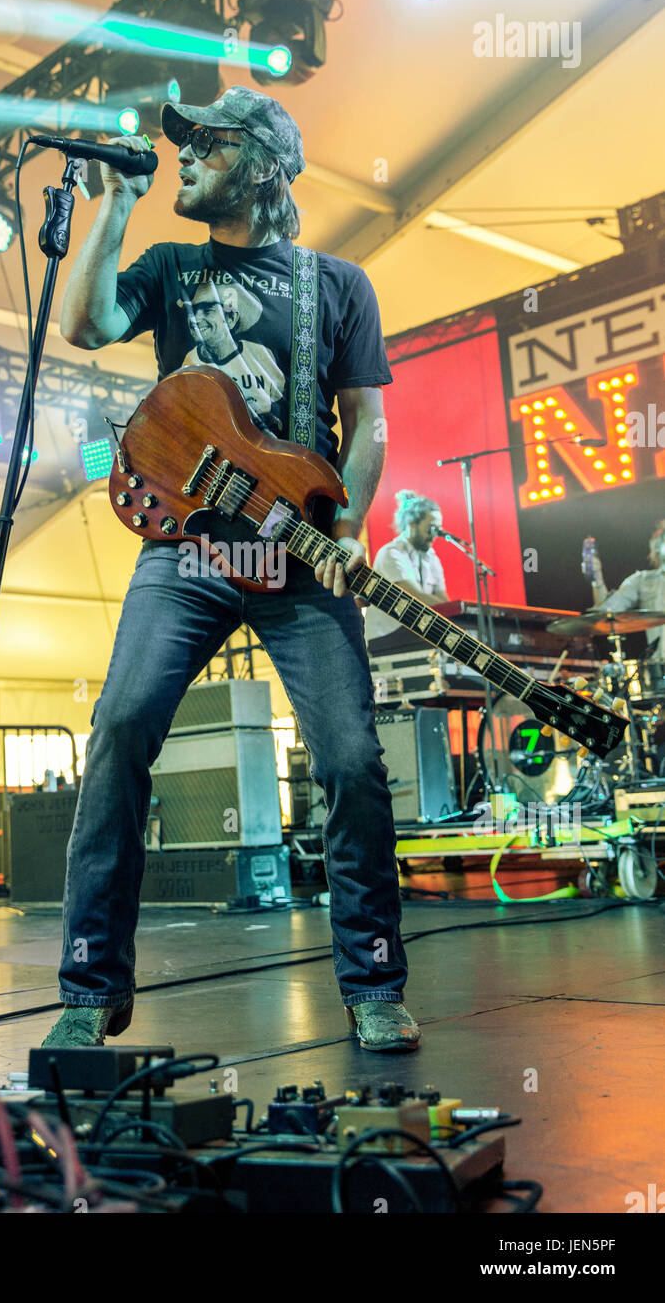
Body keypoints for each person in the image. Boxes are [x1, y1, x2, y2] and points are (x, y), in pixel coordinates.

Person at [44, 84, 420, 1054]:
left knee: (349, 762)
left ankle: (372, 977)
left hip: (298, 559)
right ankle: (91, 980)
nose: (184, 158)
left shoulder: (335, 283)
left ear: (258, 162)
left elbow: (367, 420)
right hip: (189, 547)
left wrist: (351, 526)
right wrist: (115, 204)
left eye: (204, 146)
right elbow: (83, 326)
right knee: (122, 725)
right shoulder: (171, 268)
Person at [366, 490, 448, 647]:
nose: (434, 535)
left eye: (438, 529)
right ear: (412, 524)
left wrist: (462, 618)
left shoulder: (431, 558)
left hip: (413, 639)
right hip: (386, 641)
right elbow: (415, 597)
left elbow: (443, 601)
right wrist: (453, 619)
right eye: (430, 528)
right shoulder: (392, 553)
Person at [588, 521, 665, 661]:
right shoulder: (643, 580)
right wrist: (596, 578)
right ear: (658, 546)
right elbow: (607, 611)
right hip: (659, 671)